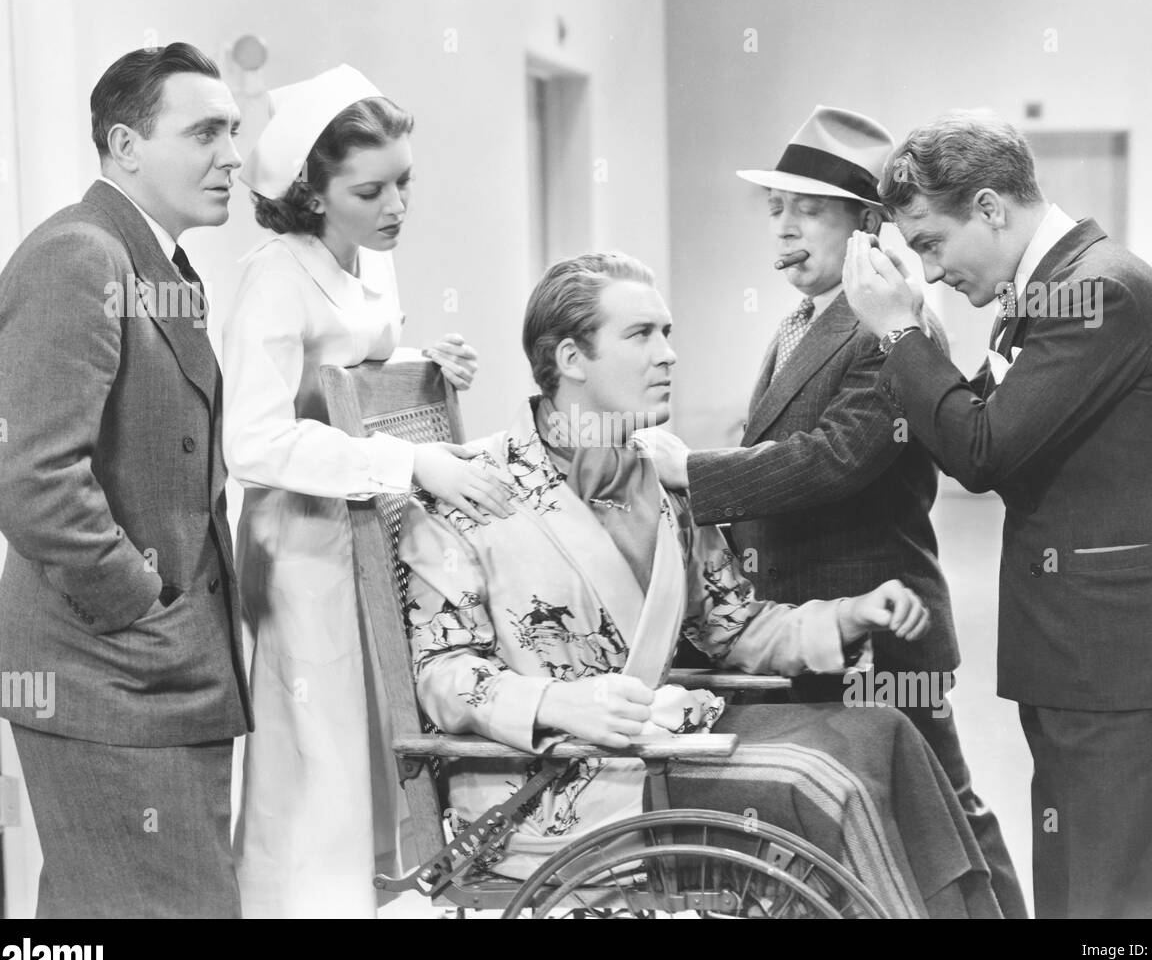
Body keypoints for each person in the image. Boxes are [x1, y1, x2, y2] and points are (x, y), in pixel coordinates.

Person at [397, 251, 1007, 918]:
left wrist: (846, 617)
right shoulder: (471, 490)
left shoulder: (659, 478)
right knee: (822, 785)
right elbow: (440, 672)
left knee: (886, 733)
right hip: (556, 783)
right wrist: (561, 703)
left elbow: (733, 623)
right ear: (571, 359)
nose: (669, 354)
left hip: (652, 750)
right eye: (641, 335)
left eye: (667, 332)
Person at [841, 109, 1152, 919]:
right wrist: (917, 330)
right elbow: (977, 424)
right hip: (1089, 647)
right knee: (1080, 890)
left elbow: (982, 449)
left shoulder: (1094, 290)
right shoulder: (1047, 288)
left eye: (930, 243)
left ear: (990, 207)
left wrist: (896, 332)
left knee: (1129, 905)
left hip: (1130, 654)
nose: (931, 268)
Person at [641, 104, 1025, 918]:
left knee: (949, 824)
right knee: (910, 825)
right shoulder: (802, 322)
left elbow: (836, 457)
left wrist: (695, 474)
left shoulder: (889, 326)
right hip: (816, 626)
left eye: (808, 210)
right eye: (776, 208)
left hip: (881, 631)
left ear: (868, 225)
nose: (783, 228)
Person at [223, 64, 511, 918]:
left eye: (404, 183)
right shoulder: (274, 274)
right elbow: (254, 439)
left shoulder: (370, 264)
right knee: (319, 760)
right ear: (312, 194)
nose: (396, 207)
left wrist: (429, 361)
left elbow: (357, 362)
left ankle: (375, 903)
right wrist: (407, 463)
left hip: (366, 536)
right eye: (370, 189)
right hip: (302, 546)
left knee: (376, 743)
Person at [0, 43, 251, 917]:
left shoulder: (157, 265)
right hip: (110, 674)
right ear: (126, 145)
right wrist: (140, 606)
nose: (232, 156)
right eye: (204, 130)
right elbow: (30, 478)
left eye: (234, 131)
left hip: (157, 677)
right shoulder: (82, 257)